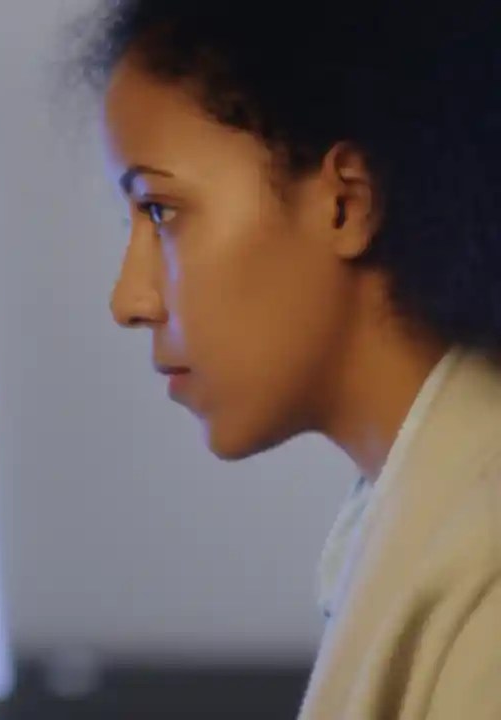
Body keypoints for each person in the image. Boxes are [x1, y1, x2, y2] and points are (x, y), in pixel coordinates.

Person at [75, 1, 501, 717]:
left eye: (160, 211)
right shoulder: (415, 516)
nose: (129, 300)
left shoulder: (485, 581)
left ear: (344, 203)